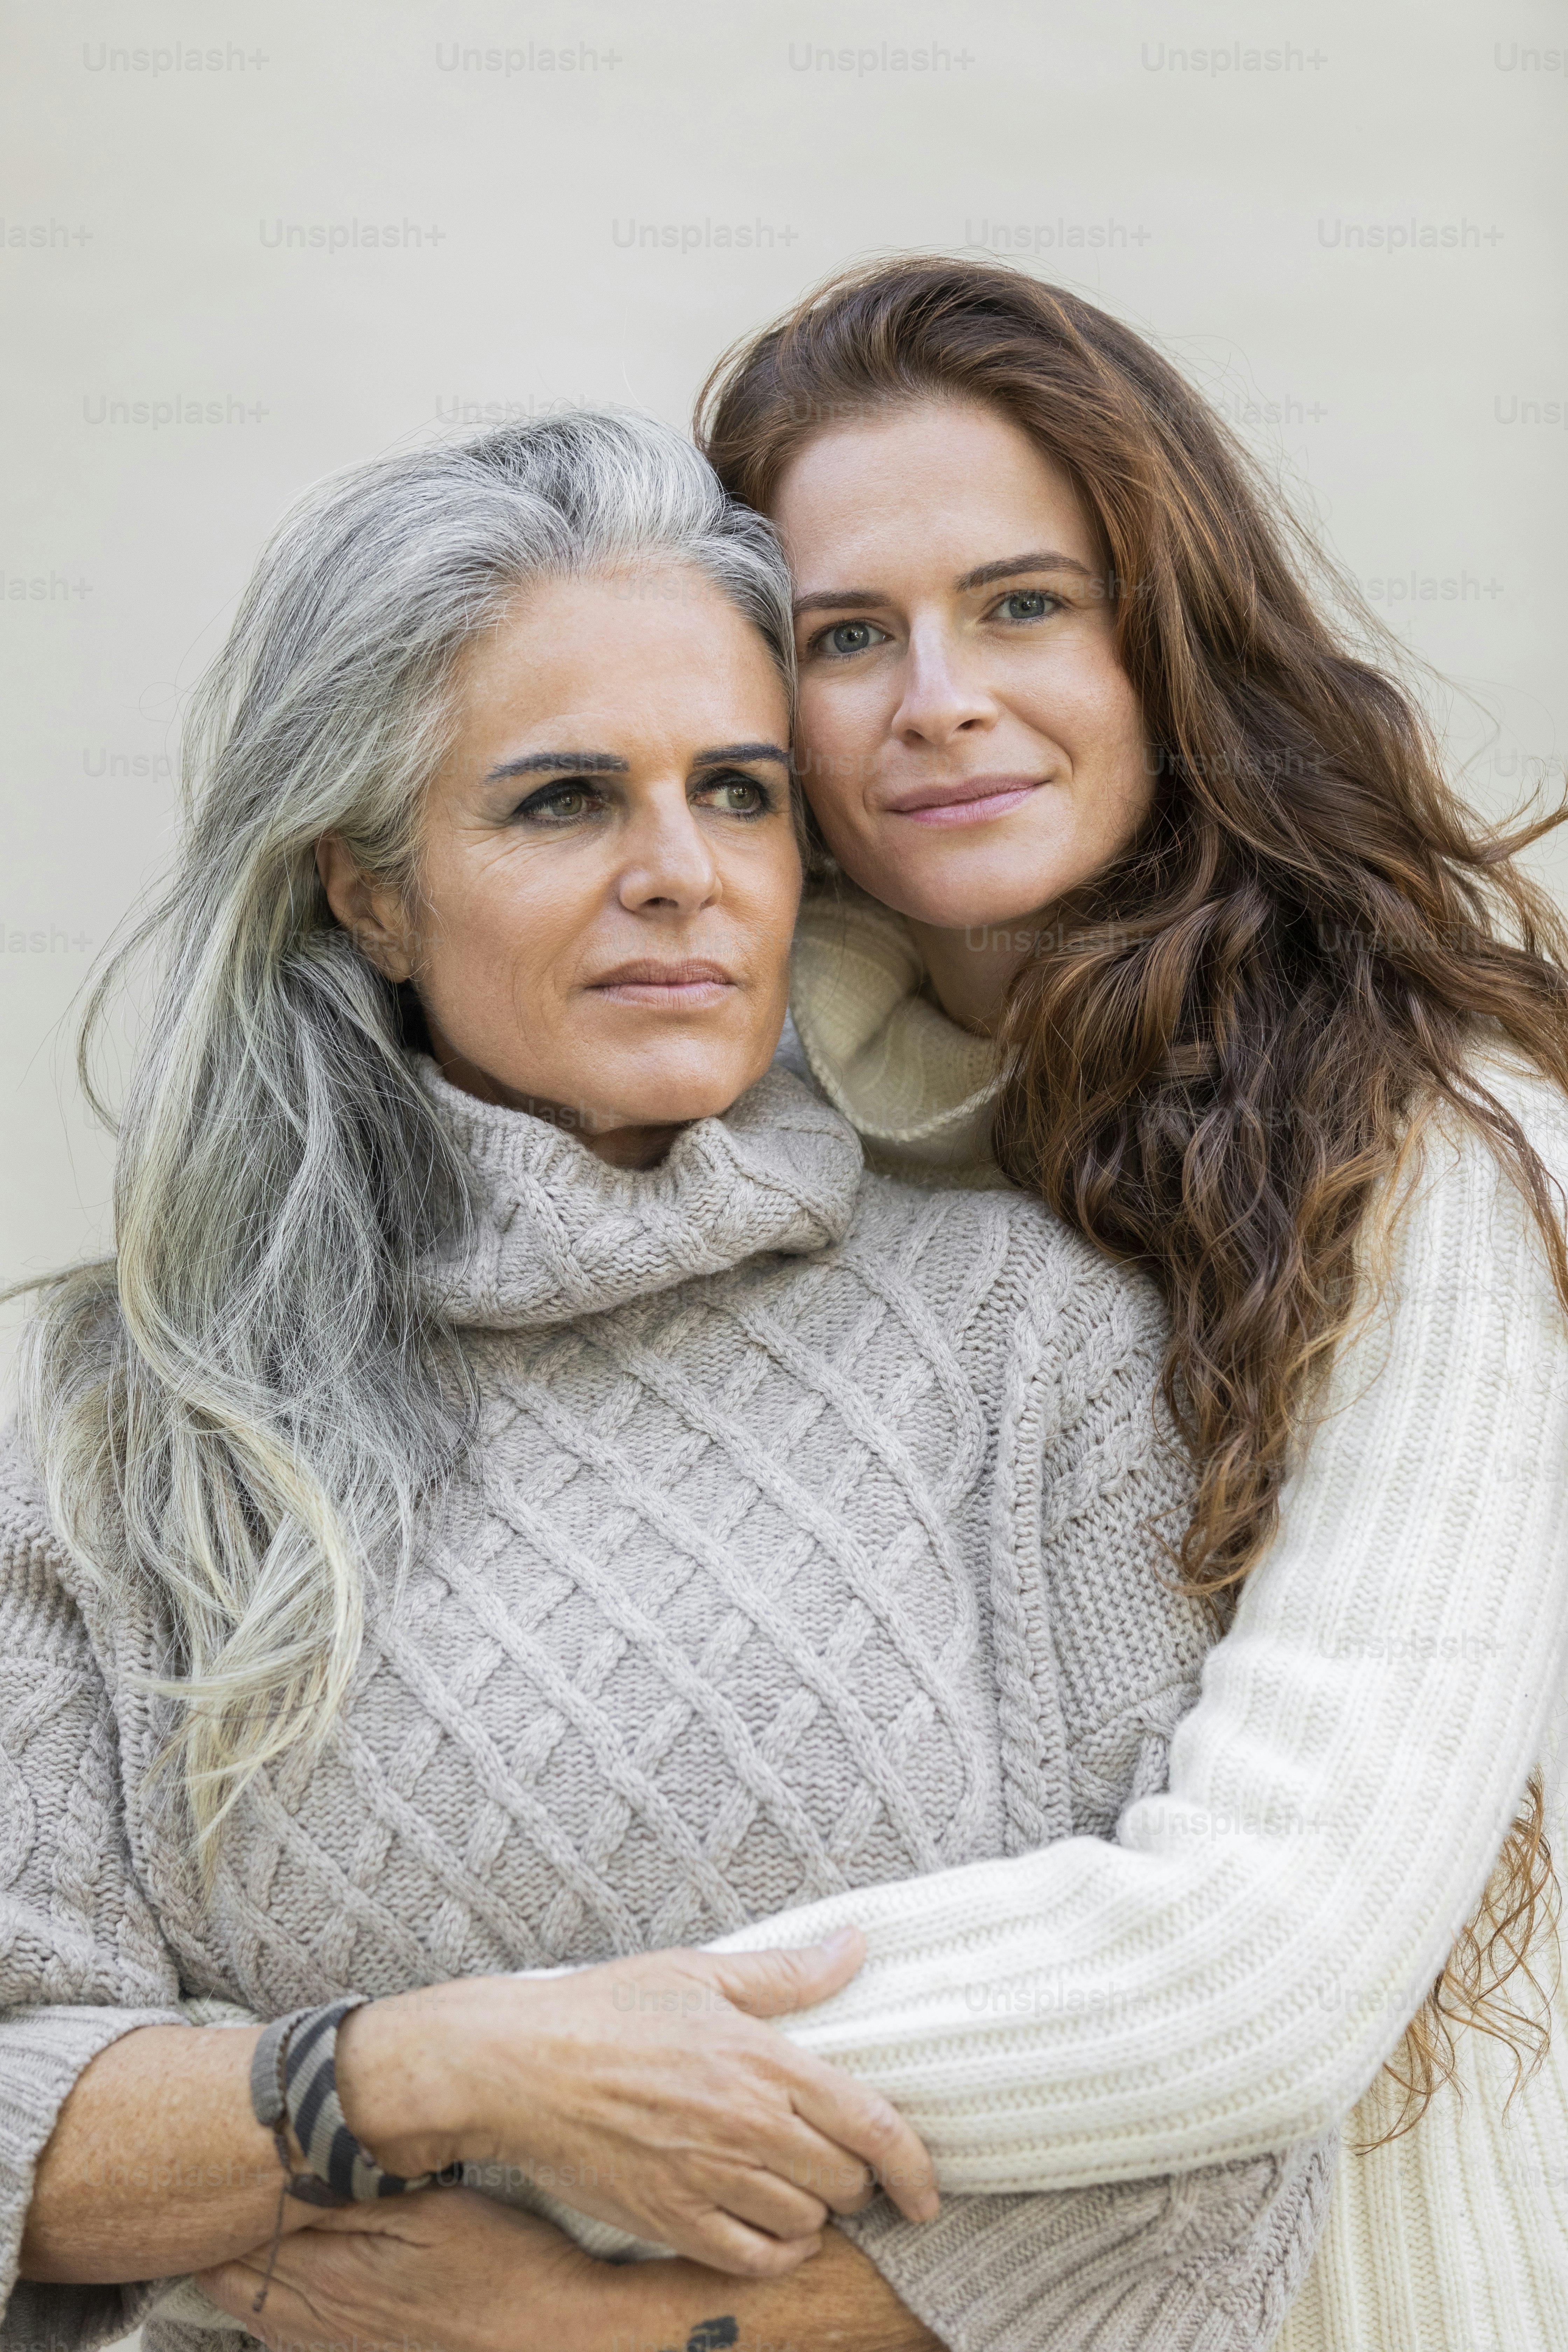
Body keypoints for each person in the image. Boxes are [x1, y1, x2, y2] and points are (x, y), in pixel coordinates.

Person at [0, 411, 1326, 2352]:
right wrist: (443, 2069)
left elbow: (1211, 2110)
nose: (682, 876)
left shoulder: (1033, 1341)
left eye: (738, 790)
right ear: (365, 889)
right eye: (560, 803)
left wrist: (608, 2331)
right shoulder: (116, 1416)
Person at [690, 255, 1568, 2348]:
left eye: (1024, 604)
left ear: (1168, 639)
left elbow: (1256, 1966)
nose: (939, 700)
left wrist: (484, 2071)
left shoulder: (1429, 1151)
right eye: (842, 637)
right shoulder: (721, 1149)